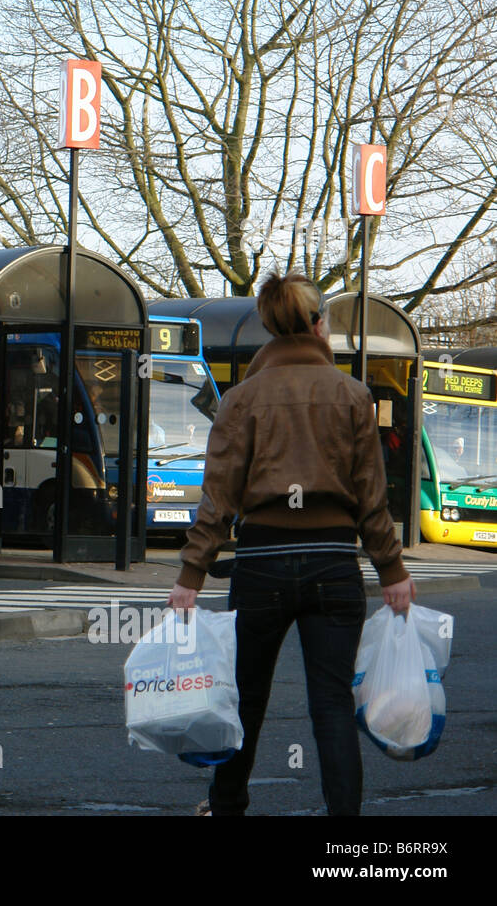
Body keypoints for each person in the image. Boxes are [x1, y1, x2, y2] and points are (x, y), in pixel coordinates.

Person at [169, 271, 415, 817]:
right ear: (317, 325)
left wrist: (190, 576)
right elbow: (372, 497)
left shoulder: (241, 399)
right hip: (333, 563)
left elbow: (219, 497)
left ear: (269, 328)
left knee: (247, 699)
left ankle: (226, 805)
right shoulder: (353, 395)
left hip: (260, 564)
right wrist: (392, 572)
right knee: (331, 703)